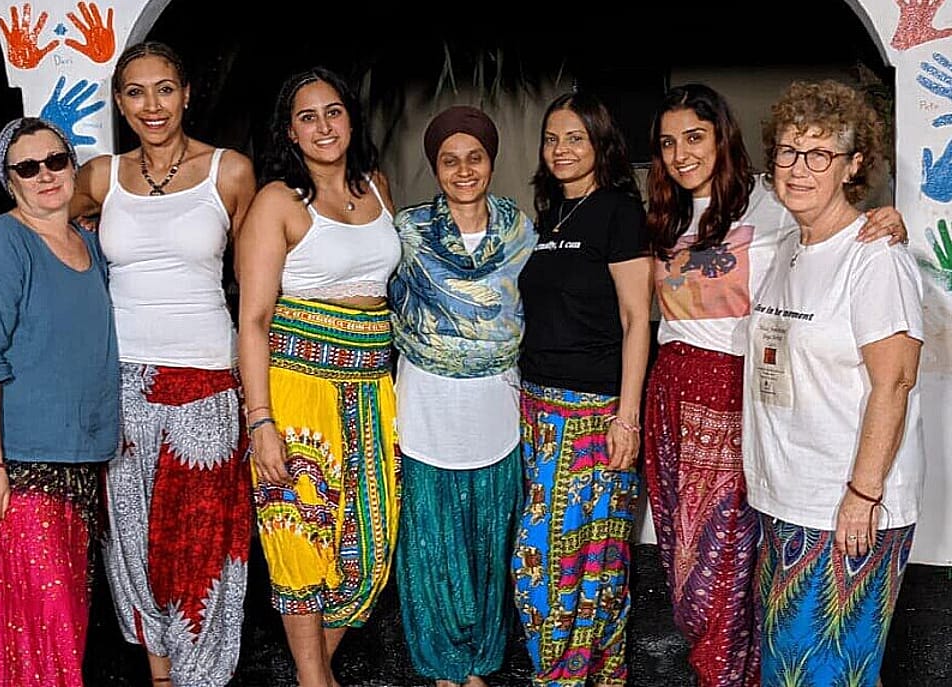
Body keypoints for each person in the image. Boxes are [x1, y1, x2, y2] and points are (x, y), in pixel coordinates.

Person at [642, 83, 908, 687]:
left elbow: (841, 235)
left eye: (695, 137)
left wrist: (892, 220)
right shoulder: (662, 213)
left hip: (734, 395)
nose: (681, 153)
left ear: (723, 138)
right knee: (685, 563)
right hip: (676, 396)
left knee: (725, 562)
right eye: (667, 142)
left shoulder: (769, 206)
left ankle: (726, 673)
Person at [70, 41, 257, 687]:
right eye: (136, 92)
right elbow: (36, 230)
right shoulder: (99, 176)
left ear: (187, 93)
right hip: (120, 387)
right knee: (131, 547)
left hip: (205, 382)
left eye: (165, 88)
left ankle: (202, 675)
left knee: (203, 549)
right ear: (120, 102)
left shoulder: (228, 172)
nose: (152, 104)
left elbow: (254, 278)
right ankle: (159, 675)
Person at [746, 80, 924, 687]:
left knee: (827, 674)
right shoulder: (789, 250)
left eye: (821, 154)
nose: (800, 168)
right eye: (789, 151)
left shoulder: (876, 257)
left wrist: (863, 494)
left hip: (846, 506)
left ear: (853, 166)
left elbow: (894, 383)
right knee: (789, 668)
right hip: (786, 500)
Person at [237, 66, 402, 687]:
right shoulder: (278, 201)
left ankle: (316, 671)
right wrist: (260, 421)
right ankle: (313, 677)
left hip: (371, 392)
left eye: (332, 112)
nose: (323, 126)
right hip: (298, 392)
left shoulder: (379, 188)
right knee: (302, 543)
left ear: (350, 119)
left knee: (370, 549)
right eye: (308, 117)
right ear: (291, 131)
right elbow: (252, 320)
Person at [0, 117, 120, 687]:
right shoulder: (1, 240)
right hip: (23, 469)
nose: (45, 175)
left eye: (55, 161)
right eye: (27, 168)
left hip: (84, 466)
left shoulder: (90, 243)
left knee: (67, 631)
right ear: (11, 181)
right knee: (39, 634)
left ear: (72, 165)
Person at [389, 106, 536, 687]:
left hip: (497, 400)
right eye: (450, 160)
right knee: (430, 538)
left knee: (488, 535)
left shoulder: (519, 228)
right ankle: (442, 664)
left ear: (491, 161)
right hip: (427, 396)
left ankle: (478, 660)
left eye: (474, 157)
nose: (464, 169)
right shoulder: (407, 232)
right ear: (435, 167)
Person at [512, 91, 652, 687]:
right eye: (552, 138)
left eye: (575, 137)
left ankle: (571, 674)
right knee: (559, 558)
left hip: (594, 414)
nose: (561, 149)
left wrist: (628, 416)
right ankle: (585, 671)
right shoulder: (548, 216)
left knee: (562, 561)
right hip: (536, 410)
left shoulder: (619, 211)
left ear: (600, 144)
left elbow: (636, 319)